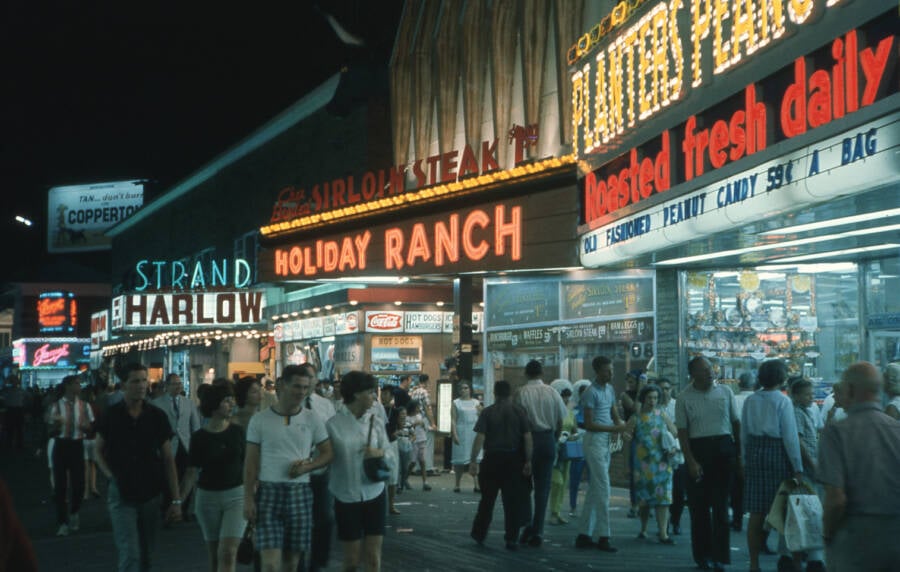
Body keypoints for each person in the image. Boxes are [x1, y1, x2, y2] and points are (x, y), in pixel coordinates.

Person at [243, 367, 333, 572]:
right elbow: (250, 463)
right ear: (282, 385)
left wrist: (307, 467)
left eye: (305, 387)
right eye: (296, 387)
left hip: (299, 492)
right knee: (270, 564)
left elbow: (327, 453)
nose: (301, 392)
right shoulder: (260, 419)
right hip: (268, 492)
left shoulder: (312, 418)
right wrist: (248, 498)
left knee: (292, 563)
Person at [95, 363, 183, 572]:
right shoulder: (112, 415)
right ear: (123, 385)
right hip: (122, 492)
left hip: (150, 491)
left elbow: (168, 458)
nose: (141, 385)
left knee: (146, 556)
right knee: (130, 554)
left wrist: (176, 499)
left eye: (144, 380)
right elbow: (97, 451)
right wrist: (110, 476)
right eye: (135, 381)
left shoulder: (156, 416)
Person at [819, 361, 900, 571]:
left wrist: (827, 533)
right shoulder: (896, 429)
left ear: (851, 390)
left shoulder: (837, 433)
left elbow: (836, 499)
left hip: (855, 539)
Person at [675, 357, 740, 572]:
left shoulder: (725, 392)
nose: (710, 373)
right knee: (699, 508)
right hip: (698, 450)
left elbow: (735, 423)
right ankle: (702, 555)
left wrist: (739, 454)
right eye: (704, 370)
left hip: (723, 449)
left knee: (721, 508)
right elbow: (683, 432)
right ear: (693, 374)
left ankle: (720, 556)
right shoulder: (684, 397)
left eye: (711, 369)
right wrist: (691, 461)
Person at [740, 360, 804, 572]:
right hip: (777, 454)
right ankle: (791, 560)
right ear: (782, 378)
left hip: (755, 454)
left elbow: (744, 433)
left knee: (757, 513)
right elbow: (790, 437)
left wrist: (744, 459)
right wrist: (797, 467)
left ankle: (754, 563)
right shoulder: (782, 401)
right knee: (786, 510)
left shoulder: (751, 400)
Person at [326, 371, 390, 571]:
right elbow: (324, 458)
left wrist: (377, 452)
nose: (374, 397)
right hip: (346, 495)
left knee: (373, 557)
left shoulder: (376, 422)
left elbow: (390, 455)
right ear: (356, 394)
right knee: (351, 560)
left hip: (375, 493)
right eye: (370, 392)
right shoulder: (333, 425)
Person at [179, 382, 246, 572]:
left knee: (227, 552)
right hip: (208, 497)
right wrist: (179, 502)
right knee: (214, 554)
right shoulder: (200, 437)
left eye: (232, 400)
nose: (231, 404)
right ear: (214, 405)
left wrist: (252, 496)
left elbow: (247, 465)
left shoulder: (237, 432)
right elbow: (192, 472)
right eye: (226, 401)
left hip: (236, 496)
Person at [469, 380, 533, 550]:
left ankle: (479, 533)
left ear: (495, 393)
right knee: (512, 502)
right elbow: (527, 437)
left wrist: (473, 460)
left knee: (487, 500)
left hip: (491, 460)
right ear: (510, 393)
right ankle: (511, 538)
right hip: (514, 460)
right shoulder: (520, 411)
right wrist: (528, 460)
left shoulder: (488, 412)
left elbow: (480, 438)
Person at [574, 356, 627, 552]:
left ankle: (584, 534)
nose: (611, 373)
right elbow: (588, 424)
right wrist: (615, 429)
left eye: (611, 370)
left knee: (596, 488)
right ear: (597, 371)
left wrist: (622, 425)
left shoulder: (610, 390)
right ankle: (604, 536)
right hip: (594, 440)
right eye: (607, 370)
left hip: (605, 441)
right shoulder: (590, 392)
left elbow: (614, 414)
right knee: (603, 488)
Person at [514, 360, 567, 547]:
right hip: (548, 440)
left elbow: (517, 422)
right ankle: (538, 530)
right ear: (542, 373)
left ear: (526, 373)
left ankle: (527, 523)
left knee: (524, 485)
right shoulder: (553, 392)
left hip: (527, 440)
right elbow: (561, 420)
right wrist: (555, 438)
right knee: (543, 488)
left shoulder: (521, 393)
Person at [296, 363, 338, 572]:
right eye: (304, 378)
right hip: (296, 472)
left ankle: (318, 563)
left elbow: (331, 433)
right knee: (300, 521)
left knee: (325, 518)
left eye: (311, 377)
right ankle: (299, 562)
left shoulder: (325, 405)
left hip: (320, 469)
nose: (309, 382)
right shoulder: (290, 404)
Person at [625, 383, 678, 544]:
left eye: (655, 398)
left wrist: (671, 444)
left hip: (662, 462)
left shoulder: (662, 415)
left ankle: (663, 533)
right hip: (643, 464)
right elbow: (627, 439)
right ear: (643, 398)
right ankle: (644, 528)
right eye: (649, 398)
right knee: (644, 499)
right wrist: (629, 465)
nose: (652, 401)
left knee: (663, 499)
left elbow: (674, 432)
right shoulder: (636, 418)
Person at [47, 374, 95, 536]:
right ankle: (62, 522)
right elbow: (50, 430)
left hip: (77, 445)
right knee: (60, 486)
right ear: (68, 386)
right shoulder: (56, 406)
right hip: (61, 445)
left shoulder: (84, 406)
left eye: (79, 384)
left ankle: (74, 511)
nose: (79, 386)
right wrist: (57, 426)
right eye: (76, 383)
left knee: (79, 484)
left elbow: (91, 429)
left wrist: (85, 427)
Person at [788, 376, 826, 572]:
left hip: (810, 467)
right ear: (795, 395)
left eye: (812, 394)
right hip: (804, 469)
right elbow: (799, 441)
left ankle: (808, 556)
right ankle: (798, 557)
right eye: (807, 394)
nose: (811, 397)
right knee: (804, 512)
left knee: (808, 511)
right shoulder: (796, 413)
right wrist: (811, 463)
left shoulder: (807, 411)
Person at [151, 373, 201, 519]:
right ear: (166, 386)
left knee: (186, 477)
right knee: (167, 479)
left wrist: (195, 445)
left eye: (179, 383)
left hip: (185, 446)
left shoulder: (189, 403)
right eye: (174, 384)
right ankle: (168, 508)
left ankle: (183, 508)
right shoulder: (157, 404)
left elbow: (195, 426)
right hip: (167, 447)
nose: (178, 386)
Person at [618, 369, 647, 518]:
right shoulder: (625, 395)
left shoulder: (648, 394)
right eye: (628, 382)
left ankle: (645, 504)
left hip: (647, 436)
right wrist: (641, 390)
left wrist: (644, 388)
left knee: (646, 472)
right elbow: (637, 409)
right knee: (635, 471)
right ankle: (634, 505)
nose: (629, 385)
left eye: (632, 381)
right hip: (633, 435)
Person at [548, 379, 577, 525]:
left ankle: (557, 511)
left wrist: (572, 436)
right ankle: (553, 512)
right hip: (554, 449)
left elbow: (575, 430)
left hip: (566, 451)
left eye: (567, 396)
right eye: (563, 396)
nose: (566, 399)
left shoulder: (570, 413)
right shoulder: (552, 412)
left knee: (564, 482)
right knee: (557, 481)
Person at [730, 371, 755, 532]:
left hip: (734, 445)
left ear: (739, 384)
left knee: (737, 486)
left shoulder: (734, 399)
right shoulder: (757, 400)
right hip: (754, 446)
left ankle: (737, 519)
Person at [451, 380, 482, 493]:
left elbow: (481, 416)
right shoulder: (456, 403)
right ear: (459, 390)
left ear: (470, 389)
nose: (464, 390)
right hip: (461, 430)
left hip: (473, 431)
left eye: (466, 388)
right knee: (459, 459)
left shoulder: (476, 403)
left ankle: (477, 484)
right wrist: (454, 434)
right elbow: (453, 420)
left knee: (476, 459)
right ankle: (457, 484)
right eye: (461, 388)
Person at [569, 379, 592, 518]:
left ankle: (589, 506)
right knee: (575, 476)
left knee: (591, 477)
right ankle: (573, 506)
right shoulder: (574, 409)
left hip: (590, 442)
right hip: (577, 443)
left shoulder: (593, 409)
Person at [409, 374, 436, 476]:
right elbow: (427, 408)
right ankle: (428, 467)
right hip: (423, 419)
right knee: (427, 443)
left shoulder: (413, 391)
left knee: (416, 443)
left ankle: (415, 467)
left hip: (414, 419)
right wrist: (432, 423)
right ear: (427, 381)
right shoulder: (424, 392)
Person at [405, 401, 431, 491]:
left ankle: (425, 482)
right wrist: (415, 424)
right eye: (417, 407)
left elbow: (425, 427)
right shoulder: (407, 418)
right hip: (413, 441)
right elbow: (407, 428)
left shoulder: (420, 416)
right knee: (412, 462)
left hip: (422, 439)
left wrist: (424, 425)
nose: (419, 409)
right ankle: (405, 478)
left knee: (423, 461)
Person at [1, 376, 29, 450]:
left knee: (18, 428)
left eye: (15, 381)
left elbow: (27, 397)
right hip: (12, 410)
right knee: (11, 428)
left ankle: (17, 445)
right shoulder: (8, 390)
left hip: (16, 410)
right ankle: (11, 444)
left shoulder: (20, 390)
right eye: (13, 381)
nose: (14, 382)